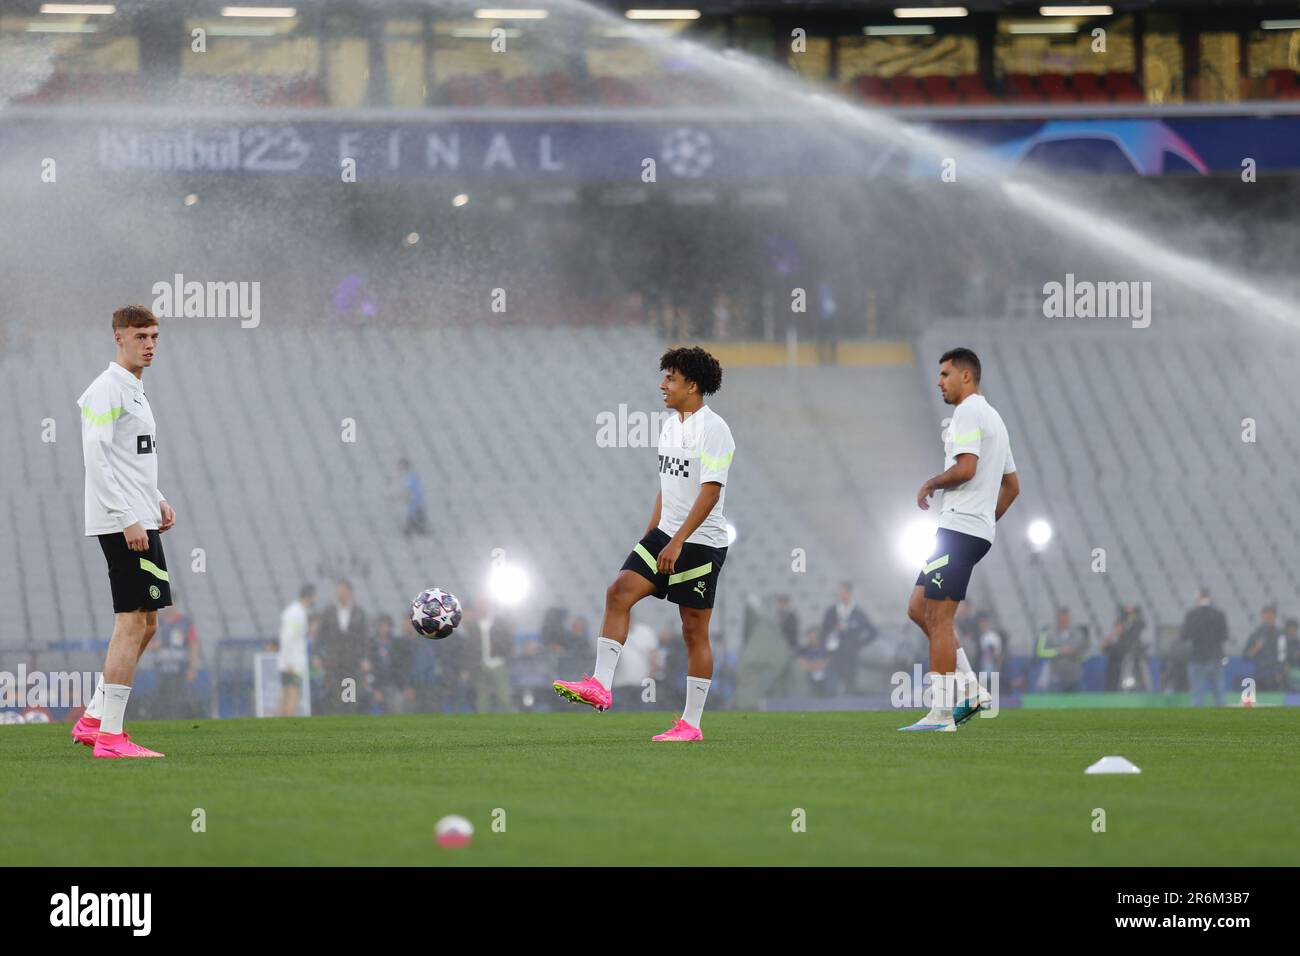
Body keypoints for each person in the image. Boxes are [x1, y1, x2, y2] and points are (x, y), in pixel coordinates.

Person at [553, 347, 735, 741]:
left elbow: (710, 492)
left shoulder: (715, 429)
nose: (662, 384)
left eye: (670, 377)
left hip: (701, 542)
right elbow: (667, 486)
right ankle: (601, 686)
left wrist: (678, 541)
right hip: (665, 534)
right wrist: (650, 536)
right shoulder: (670, 425)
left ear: (693, 384)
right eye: (664, 376)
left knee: (693, 630)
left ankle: (691, 724)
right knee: (618, 591)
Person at [71, 305, 174, 759]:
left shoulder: (135, 389)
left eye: (153, 336)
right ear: (119, 338)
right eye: (140, 337)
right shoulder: (105, 390)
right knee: (131, 621)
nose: (149, 344)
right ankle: (110, 737)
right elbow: (94, 456)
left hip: (138, 514)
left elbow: (130, 457)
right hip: (122, 521)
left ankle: (95, 718)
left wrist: (156, 500)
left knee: (147, 622)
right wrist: (128, 516)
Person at [903, 347, 1019, 731]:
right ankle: (970, 690)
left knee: (938, 617)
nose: (940, 382)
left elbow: (966, 468)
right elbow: (1012, 486)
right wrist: (988, 520)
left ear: (966, 377)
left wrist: (931, 483)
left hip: (959, 527)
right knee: (919, 609)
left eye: (946, 374)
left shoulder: (967, 412)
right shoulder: (996, 420)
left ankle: (940, 715)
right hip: (968, 528)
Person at [315, 580, 369, 715]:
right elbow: (320, 636)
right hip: (333, 663)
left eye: (343, 592)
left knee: (350, 697)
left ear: (350, 593)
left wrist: (365, 658)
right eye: (338, 592)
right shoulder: (328, 612)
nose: (340, 595)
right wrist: (317, 656)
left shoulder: (359, 613)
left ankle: (350, 725)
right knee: (335, 697)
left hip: (352, 663)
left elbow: (364, 638)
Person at [819, 582, 875, 696]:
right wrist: (824, 651)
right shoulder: (831, 611)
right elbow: (823, 632)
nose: (839, 594)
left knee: (850, 690)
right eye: (839, 592)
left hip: (850, 657)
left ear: (849, 593)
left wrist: (859, 644)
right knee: (830, 690)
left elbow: (873, 632)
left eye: (842, 592)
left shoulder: (859, 613)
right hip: (833, 655)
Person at [1181, 587, 1228, 707]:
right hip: (1215, 657)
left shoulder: (1191, 615)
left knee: (1197, 696)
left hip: (1197, 657)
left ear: (1198, 597)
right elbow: (1224, 636)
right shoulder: (1219, 615)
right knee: (1219, 695)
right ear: (1211, 597)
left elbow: (1184, 636)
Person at [277, 584, 315, 716]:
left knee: (285, 695)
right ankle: (288, 728)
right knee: (293, 695)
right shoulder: (297, 613)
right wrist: (289, 663)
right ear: (310, 597)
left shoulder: (295, 611)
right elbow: (288, 637)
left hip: (289, 661)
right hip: (292, 663)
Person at [1036, 607, 1088, 692]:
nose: (1064, 620)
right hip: (1057, 678)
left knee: (1077, 704)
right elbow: (1041, 652)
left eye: (1066, 618)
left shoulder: (1078, 633)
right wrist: (1058, 651)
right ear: (1057, 618)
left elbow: (1085, 653)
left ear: (1069, 618)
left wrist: (1076, 652)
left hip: (1075, 678)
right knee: (1056, 704)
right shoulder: (1049, 634)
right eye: (1062, 618)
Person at [1100, 603, 1146, 692]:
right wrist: (1115, 632)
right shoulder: (1115, 645)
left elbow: (1137, 621)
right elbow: (1103, 646)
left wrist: (1131, 615)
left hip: (1133, 679)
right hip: (1115, 684)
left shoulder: (1137, 647)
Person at [1243, 604, 1283, 692]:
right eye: (1266, 618)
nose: (1268, 620)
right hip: (1259, 676)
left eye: (1270, 618)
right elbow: (1245, 656)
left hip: (1275, 677)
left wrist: (1280, 671)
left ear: (1274, 618)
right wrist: (1255, 648)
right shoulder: (1256, 634)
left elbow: (1284, 656)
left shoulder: (1280, 635)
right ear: (1262, 617)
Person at [398, 458, 428, 536]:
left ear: (405, 466)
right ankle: (417, 530)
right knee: (416, 517)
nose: (399, 468)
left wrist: (405, 496)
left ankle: (414, 530)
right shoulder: (410, 475)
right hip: (416, 502)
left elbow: (410, 490)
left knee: (415, 517)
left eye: (401, 466)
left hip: (415, 502)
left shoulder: (410, 476)